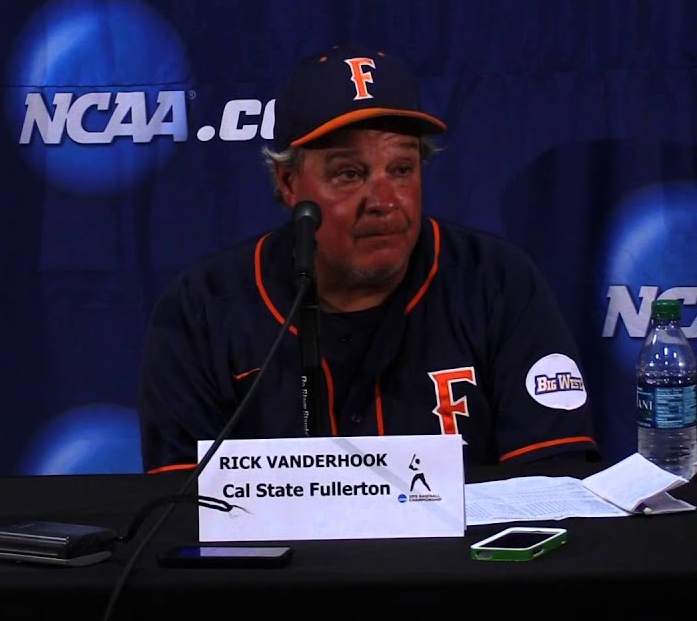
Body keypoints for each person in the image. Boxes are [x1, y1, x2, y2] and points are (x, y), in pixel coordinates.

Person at [138, 44, 597, 473]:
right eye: (349, 173)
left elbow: (557, 487)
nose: (383, 200)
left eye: (401, 169)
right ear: (288, 183)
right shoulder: (204, 309)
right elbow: (183, 514)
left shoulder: (497, 283)